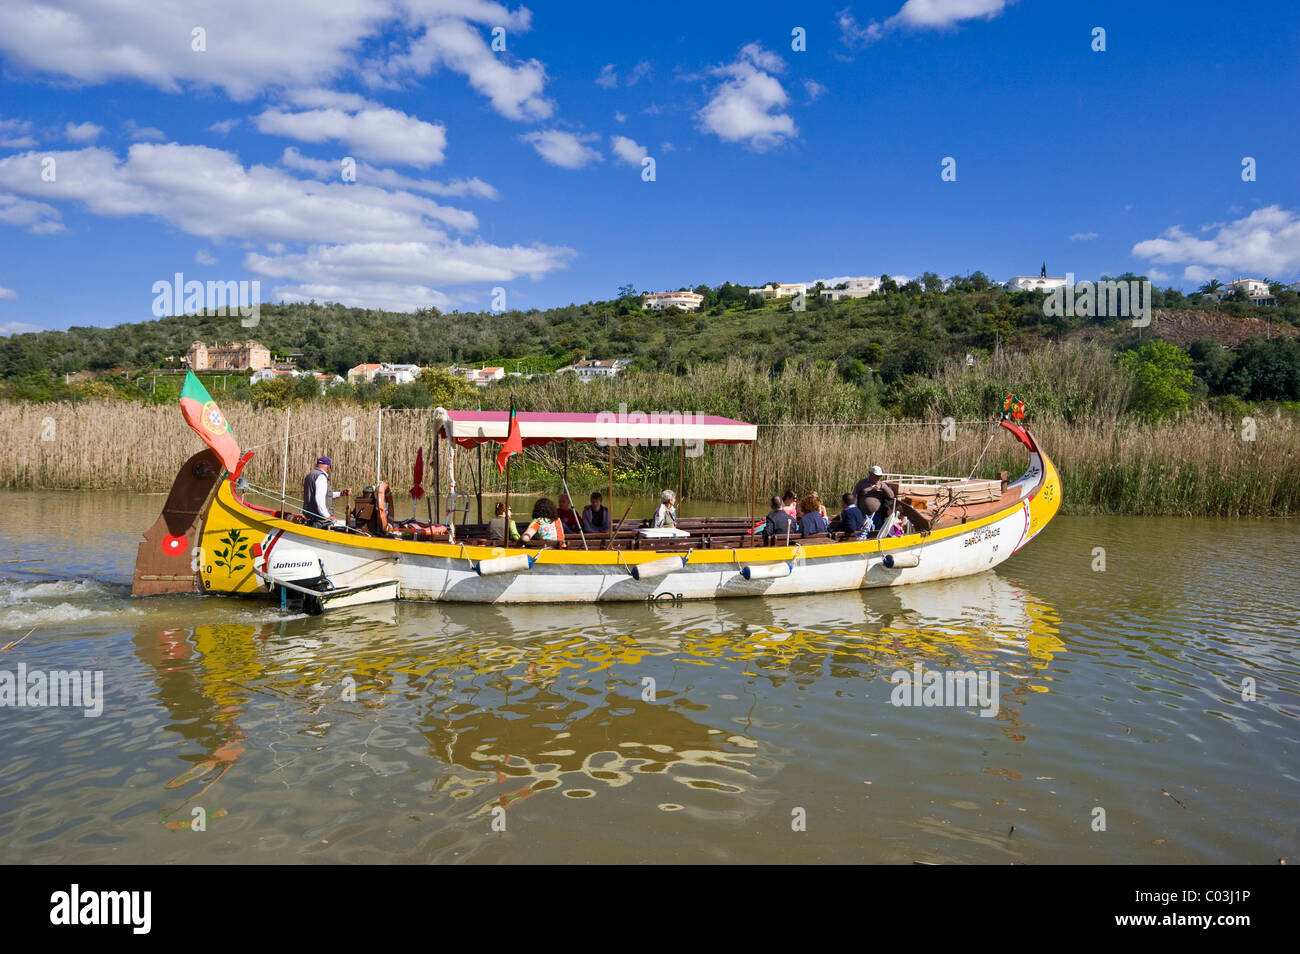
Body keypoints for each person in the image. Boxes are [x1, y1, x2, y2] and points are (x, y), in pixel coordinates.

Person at [303, 456, 350, 528]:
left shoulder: (310, 475)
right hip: (319, 520)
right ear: (328, 467)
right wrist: (328, 516)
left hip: (310, 516)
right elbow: (319, 498)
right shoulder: (321, 477)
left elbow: (323, 494)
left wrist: (340, 494)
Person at [853, 465, 896, 532]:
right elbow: (855, 496)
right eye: (876, 476)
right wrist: (855, 512)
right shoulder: (862, 483)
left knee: (875, 533)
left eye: (879, 476)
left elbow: (891, 495)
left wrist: (882, 487)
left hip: (877, 515)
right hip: (863, 515)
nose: (878, 478)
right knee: (862, 532)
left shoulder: (882, 484)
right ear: (870, 473)